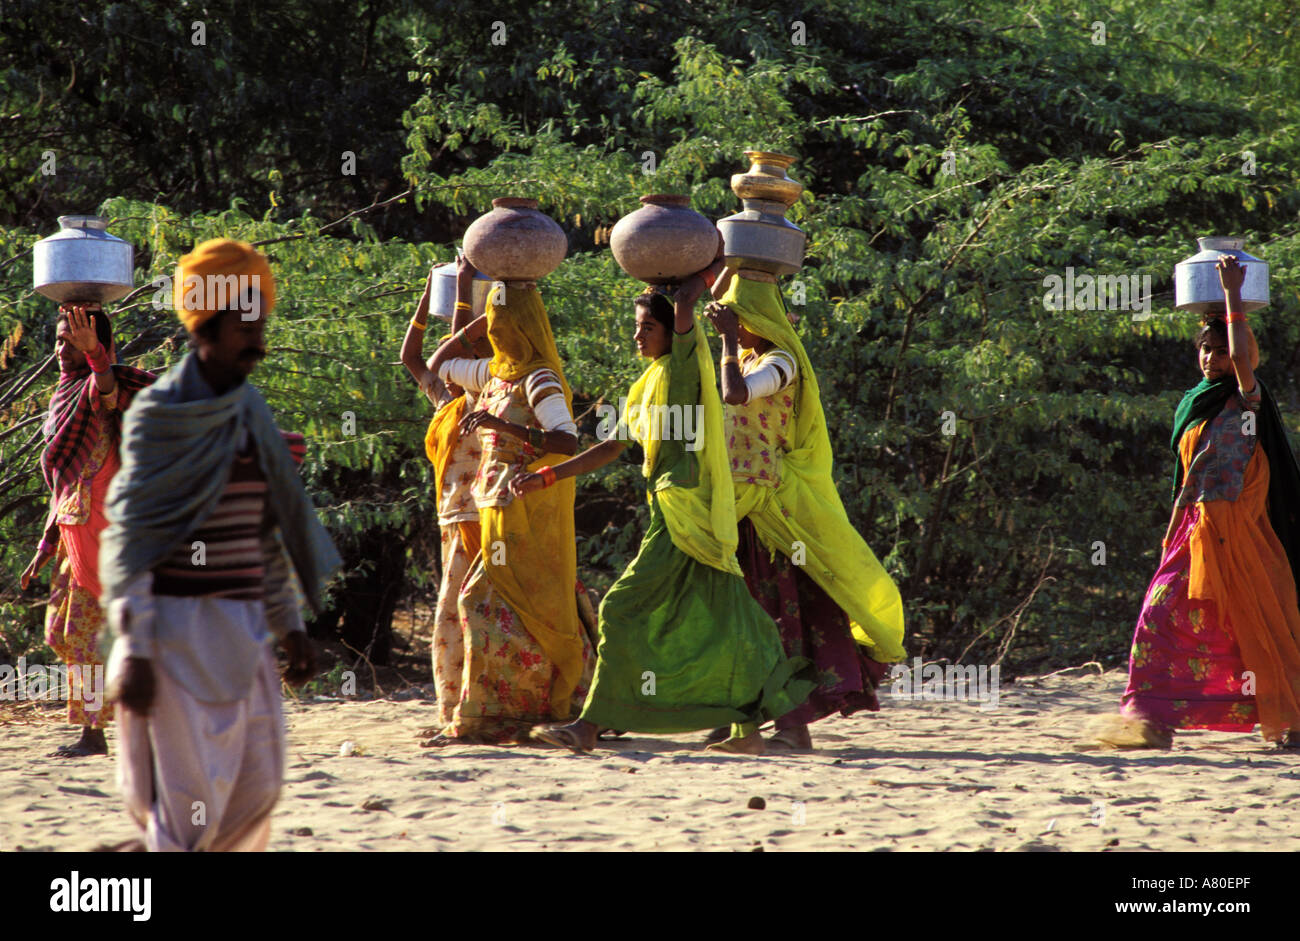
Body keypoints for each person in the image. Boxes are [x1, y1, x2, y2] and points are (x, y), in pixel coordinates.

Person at [519, 250, 816, 755]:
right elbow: (611, 447)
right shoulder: (646, 384)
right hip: (671, 510)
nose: (638, 336)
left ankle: (588, 727)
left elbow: (684, 315)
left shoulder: (683, 365)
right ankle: (778, 729)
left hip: (688, 508)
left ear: (670, 335)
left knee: (621, 606)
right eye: (637, 327)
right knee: (735, 620)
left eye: (647, 329)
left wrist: (712, 266)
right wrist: (549, 475)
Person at [100, 238, 342, 851]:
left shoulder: (248, 411)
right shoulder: (160, 415)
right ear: (206, 321)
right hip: (175, 634)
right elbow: (131, 540)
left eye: (262, 320)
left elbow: (263, 535)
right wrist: (134, 648)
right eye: (246, 322)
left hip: (244, 632)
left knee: (255, 793)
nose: (258, 337)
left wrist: (289, 625)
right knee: (187, 811)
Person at [1098, 255, 1300, 749]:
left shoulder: (1246, 399)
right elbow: (1187, 480)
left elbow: (1242, 358)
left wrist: (1231, 294)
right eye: (1205, 351)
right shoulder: (1194, 404)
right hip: (1197, 530)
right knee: (1160, 615)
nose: (1213, 359)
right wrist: (1173, 528)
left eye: (1221, 351)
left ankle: (1289, 718)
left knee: (1258, 624)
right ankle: (1150, 719)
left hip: (1244, 534)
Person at [702, 270, 906, 750]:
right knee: (738, 613)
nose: (730, 320)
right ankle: (737, 718)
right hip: (738, 503)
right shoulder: (748, 354)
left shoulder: (781, 361)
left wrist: (729, 341)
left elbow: (736, 394)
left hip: (772, 507)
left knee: (774, 615)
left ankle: (791, 727)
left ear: (756, 317)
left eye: (739, 314)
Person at [422, 273, 593, 745]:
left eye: (504, 326)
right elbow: (439, 365)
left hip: (526, 506)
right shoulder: (496, 374)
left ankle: (491, 715)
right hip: (491, 504)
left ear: (525, 328)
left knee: (482, 603)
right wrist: (472, 314)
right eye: (493, 328)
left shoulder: (540, 378)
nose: (497, 335)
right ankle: (503, 712)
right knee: (504, 607)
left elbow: (566, 439)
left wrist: (511, 430)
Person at [21, 303, 154, 757]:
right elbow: (63, 484)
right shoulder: (63, 399)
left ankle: (95, 733)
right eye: (60, 340)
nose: (62, 349)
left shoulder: (98, 392)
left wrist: (95, 354)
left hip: (104, 533)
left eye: (72, 341)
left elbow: (109, 390)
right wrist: (45, 544)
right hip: (72, 531)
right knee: (60, 634)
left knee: (81, 635)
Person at [402, 258, 487, 741]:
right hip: (455, 520)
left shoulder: (488, 393)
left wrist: (472, 293)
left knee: (466, 613)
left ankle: (471, 710)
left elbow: (444, 357)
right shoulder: (448, 402)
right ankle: (456, 710)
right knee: (454, 615)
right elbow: (411, 356)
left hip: (485, 518)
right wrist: (430, 291)